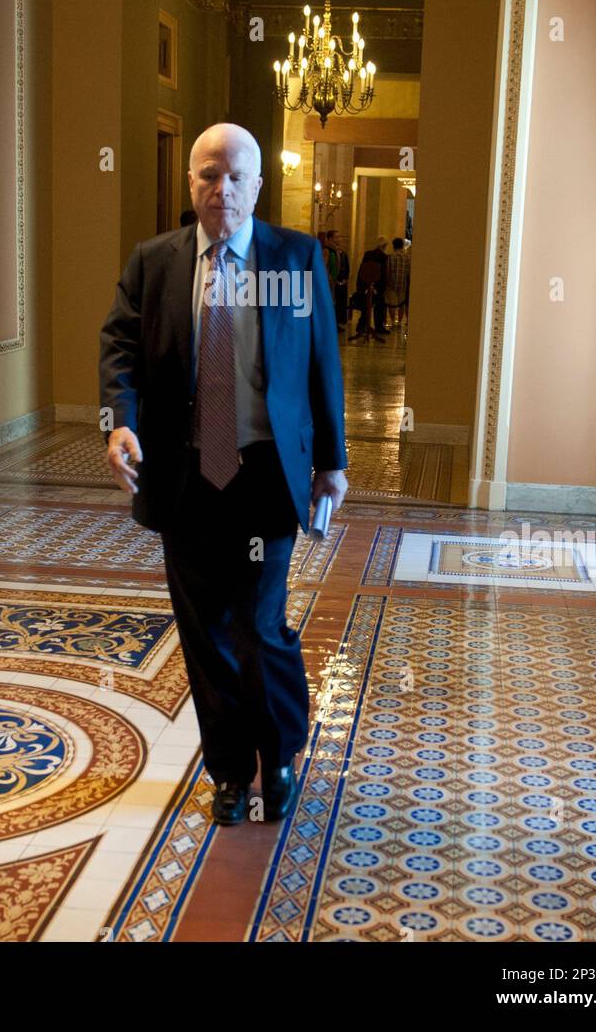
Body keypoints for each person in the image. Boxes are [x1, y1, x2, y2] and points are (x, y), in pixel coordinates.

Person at [99, 123, 348, 827]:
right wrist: (119, 418)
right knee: (204, 630)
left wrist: (332, 461)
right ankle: (231, 773)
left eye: (236, 176)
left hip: (265, 472)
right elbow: (118, 344)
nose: (222, 189)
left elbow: (322, 362)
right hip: (184, 476)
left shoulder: (292, 258)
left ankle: (283, 754)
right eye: (209, 175)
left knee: (259, 624)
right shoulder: (156, 263)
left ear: (258, 185)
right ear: (190, 182)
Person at [352, 236, 388, 335]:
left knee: (366, 307)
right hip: (378, 286)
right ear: (385, 246)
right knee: (379, 307)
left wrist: (361, 286)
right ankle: (379, 327)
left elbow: (362, 270)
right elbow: (383, 274)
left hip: (365, 284)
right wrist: (380, 288)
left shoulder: (367, 254)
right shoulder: (384, 257)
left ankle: (362, 325)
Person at [326, 230, 350, 331]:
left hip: (340, 281)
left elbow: (345, 266)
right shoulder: (327, 250)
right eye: (336, 237)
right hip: (330, 281)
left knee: (339, 303)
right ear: (330, 238)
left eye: (339, 237)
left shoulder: (340, 252)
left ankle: (337, 322)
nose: (339, 239)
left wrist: (345, 278)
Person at [384, 236, 410, 330]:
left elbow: (388, 270)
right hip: (403, 283)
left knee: (391, 303)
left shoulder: (390, 256)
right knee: (401, 303)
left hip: (392, 283)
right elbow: (408, 272)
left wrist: (388, 281)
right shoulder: (407, 257)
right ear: (402, 246)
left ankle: (392, 321)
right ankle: (399, 322)